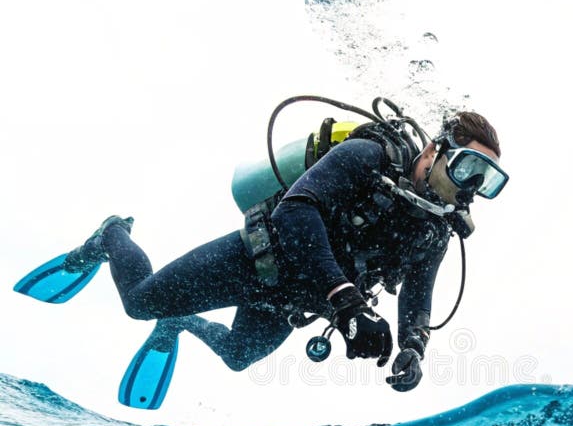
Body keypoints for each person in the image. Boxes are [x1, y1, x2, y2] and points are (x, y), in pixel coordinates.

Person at [56, 108, 508, 398]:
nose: (470, 188)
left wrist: (413, 347)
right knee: (139, 303)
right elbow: (295, 211)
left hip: (295, 301)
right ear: (435, 150)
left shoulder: (435, 229)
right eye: (468, 167)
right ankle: (111, 235)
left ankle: (180, 324)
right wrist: (348, 304)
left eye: (486, 180)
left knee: (237, 356)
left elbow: (418, 293)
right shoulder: (369, 155)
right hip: (254, 260)